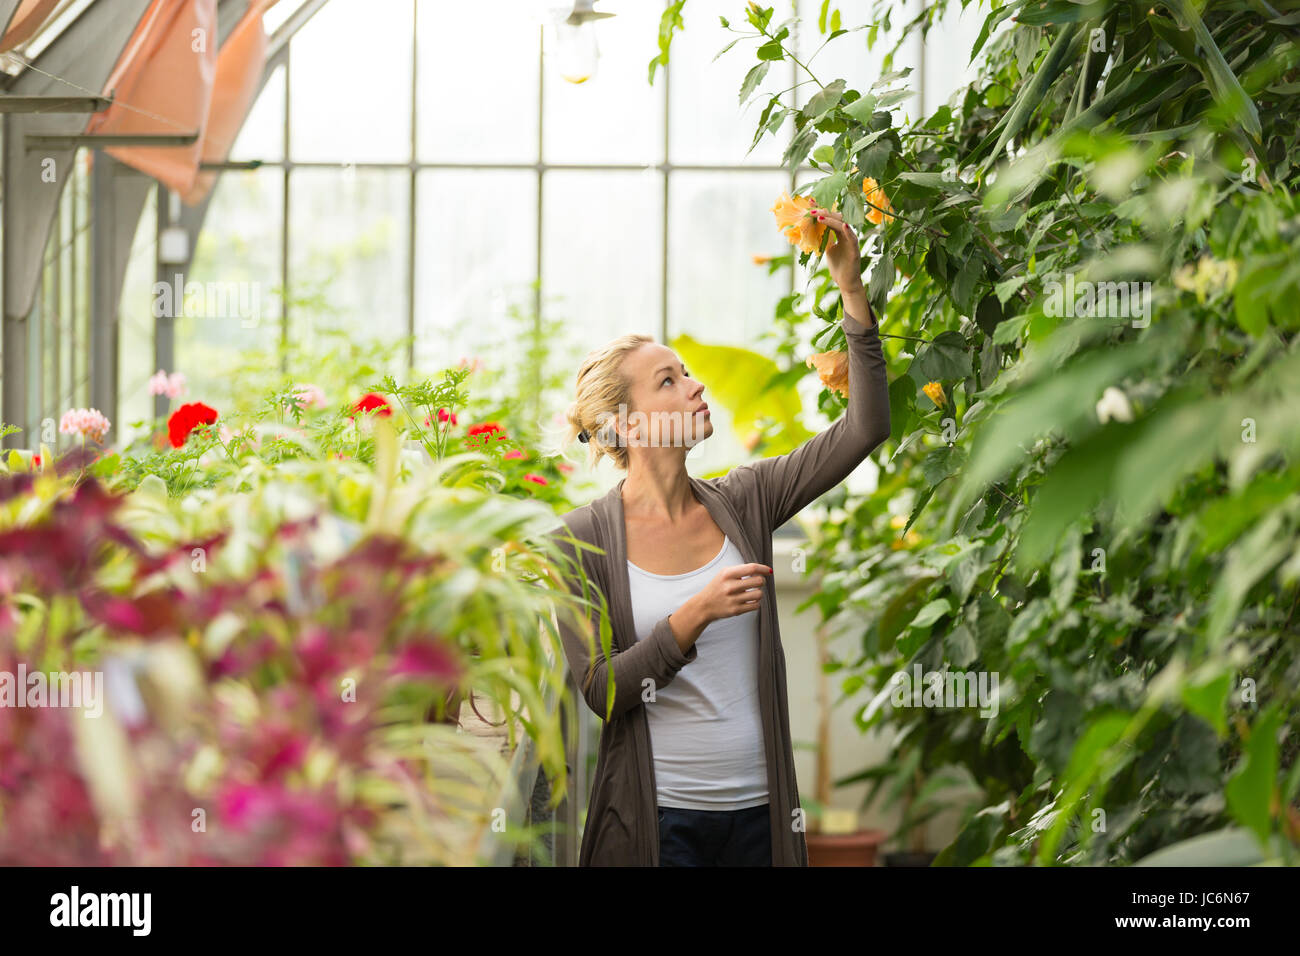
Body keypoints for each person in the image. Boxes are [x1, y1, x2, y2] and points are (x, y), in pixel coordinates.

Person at [546, 206, 891, 866]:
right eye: (669, 381)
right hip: (659, 823)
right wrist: (695, 613)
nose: (696, 384)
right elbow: (603, 692)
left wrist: (852, 290)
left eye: (686, 372)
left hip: (759, 820)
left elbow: (865, 428)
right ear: (627, 427)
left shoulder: (748, 499)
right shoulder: (581, 540)